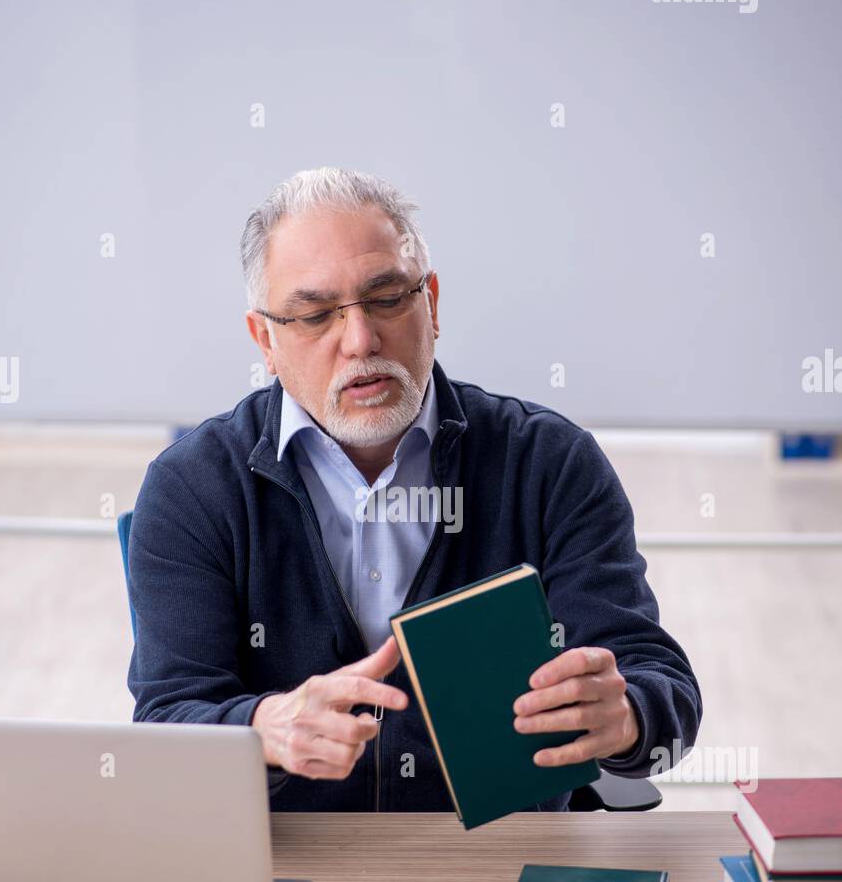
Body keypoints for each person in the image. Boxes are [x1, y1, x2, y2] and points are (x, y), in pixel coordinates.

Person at [128, 167, 701, 812]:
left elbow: (663, 691)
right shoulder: (193, 485)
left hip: (505, 865)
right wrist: (263, 729)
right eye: (316, 315)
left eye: (387, 299)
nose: (361, 340)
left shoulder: (550, 463)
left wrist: (625, 717)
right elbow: (166, 725)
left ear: (431, 303)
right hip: (287, 871)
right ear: (266, 339)